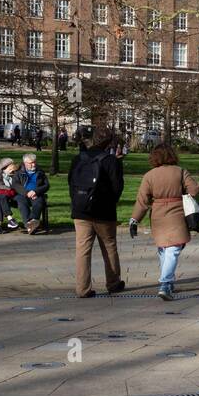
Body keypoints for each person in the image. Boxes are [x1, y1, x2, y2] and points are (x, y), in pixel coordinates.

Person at [129, 144, 199, 301]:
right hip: (176, 214)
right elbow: (194, 190)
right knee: (173, 249)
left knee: (164, 248)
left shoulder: (149, 176)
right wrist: (198, 185)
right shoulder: (180, 171)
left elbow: (142, 201)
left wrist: (134, 219)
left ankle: (168, 283)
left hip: (158, 215)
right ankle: (165, 283)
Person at [68, 125, 126, 299]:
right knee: (109, 247)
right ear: (108, 142)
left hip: (80, 210)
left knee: (82, 250)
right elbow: (117, 187)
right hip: (104, 211)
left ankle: (82, 288)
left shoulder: (78, 159)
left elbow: (71, 183)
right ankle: (113, 283)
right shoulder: (111, 161)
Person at [15, 152, 51, 234]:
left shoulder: (40, 172)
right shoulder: (19, 172)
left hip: (36, 194)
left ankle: (31, 223)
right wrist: (27, 193)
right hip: (22, 194)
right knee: (22, 203)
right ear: (25, 163)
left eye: (34, 162)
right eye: (31, 163)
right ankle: (30, 225)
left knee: (38, 202)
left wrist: (35, 191)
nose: (34, 165)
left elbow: (46, 185)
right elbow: (16, 185)